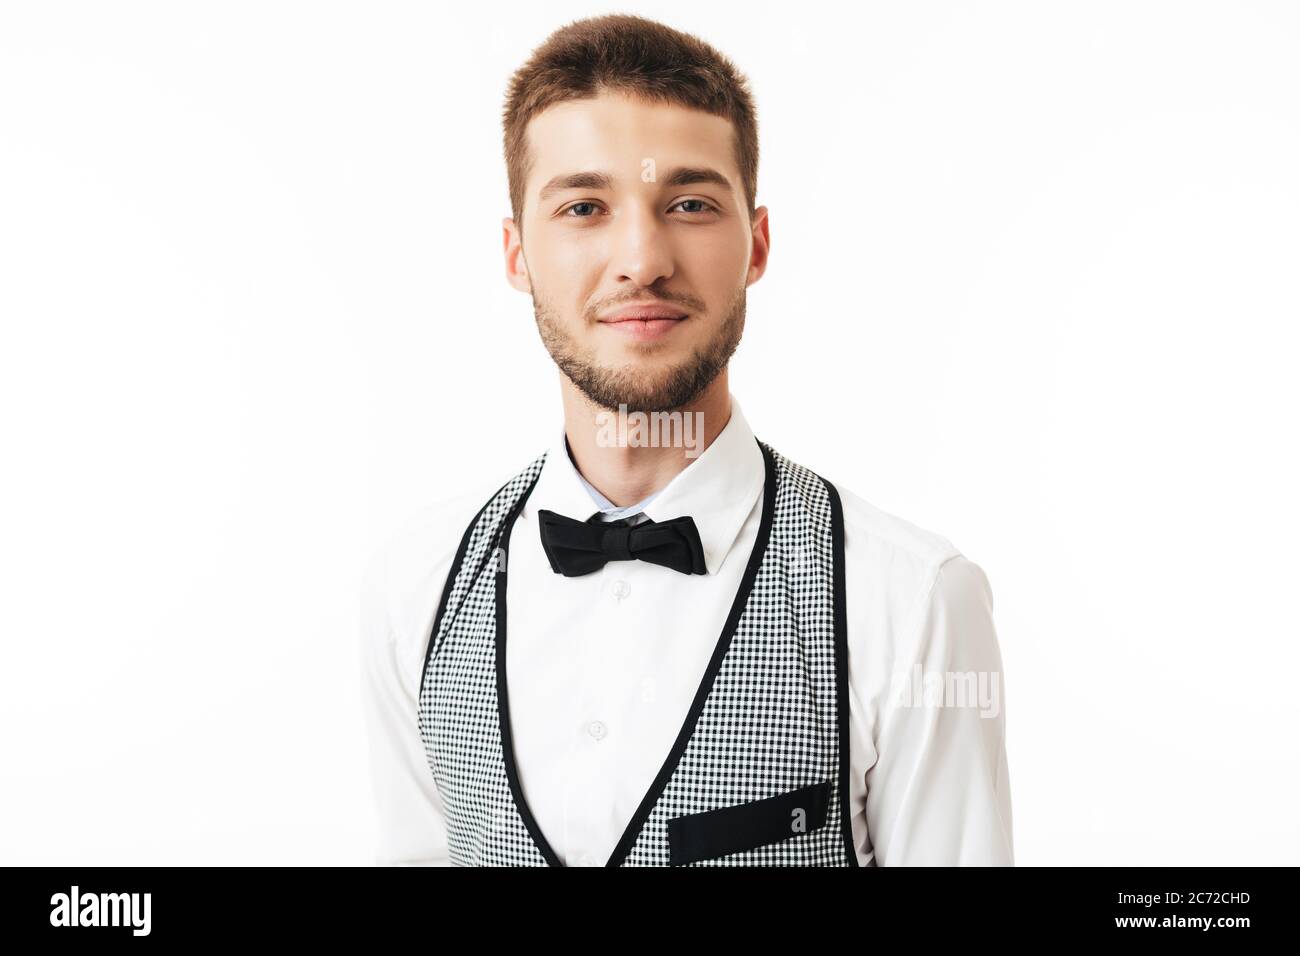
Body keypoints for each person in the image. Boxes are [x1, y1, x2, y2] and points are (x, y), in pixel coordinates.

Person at [359, 13, 1012, 866]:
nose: (642, 258)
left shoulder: (912, 601)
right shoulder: (416, 588)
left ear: (757, 244)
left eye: (691, 204)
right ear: (517, 254)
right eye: (585, 206)